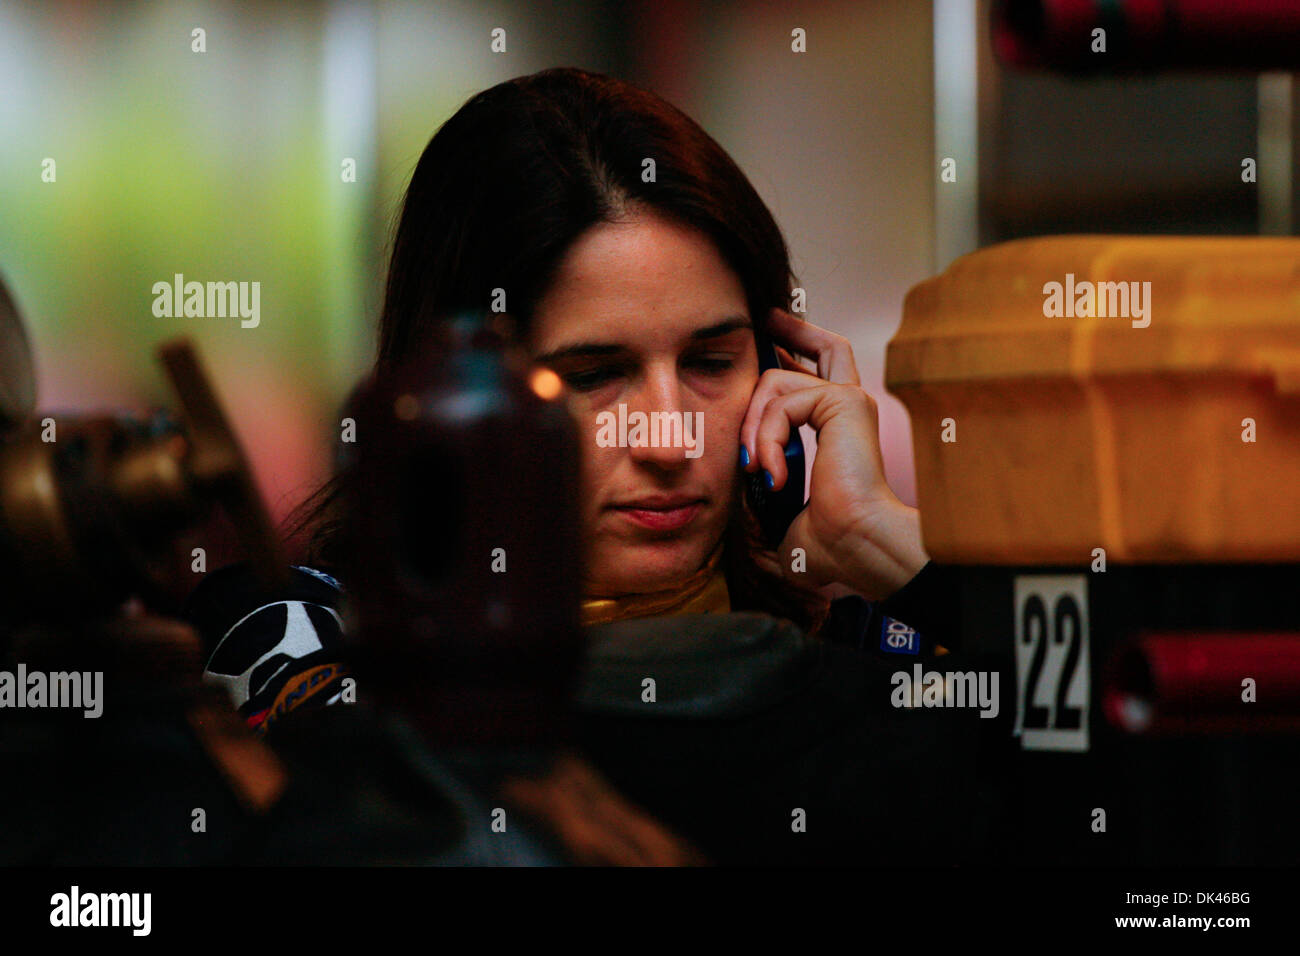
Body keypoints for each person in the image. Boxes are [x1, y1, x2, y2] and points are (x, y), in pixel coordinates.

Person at [282, 66, 960, 651]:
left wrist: (875, 538)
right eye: (594, 375)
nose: (669, 440)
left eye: (711, 362)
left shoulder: (855, 656)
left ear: (780, 364)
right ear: (451, 389)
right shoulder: (314, 646)